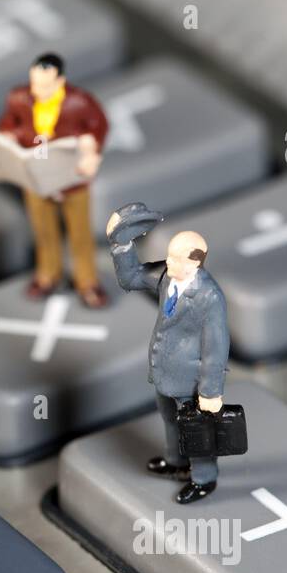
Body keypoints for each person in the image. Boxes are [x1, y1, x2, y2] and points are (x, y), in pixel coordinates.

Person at [106, 202, 230, 503]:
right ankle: (175, 461)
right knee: (170, 420)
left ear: (195, 263)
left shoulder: (209, 295)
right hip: (164, 371)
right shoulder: (166, 276)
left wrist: (211, 392)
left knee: (196, 428)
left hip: (191, 378)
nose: (168, 262)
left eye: (176, 259)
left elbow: (216, 345)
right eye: (170, 256)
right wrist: (122, 244)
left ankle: (203, 477)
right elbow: (131, 278)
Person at [0, 53, 110, 308]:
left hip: (72, 178)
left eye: (45, 85)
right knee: (43, 229)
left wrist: (91, 150)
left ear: (60, 81)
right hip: (35, 178)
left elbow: (98, 126)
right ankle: (48, 275)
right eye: (34, 83)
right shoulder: (19, 98)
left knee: (79, 233)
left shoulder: (79, 102)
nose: (37, 90)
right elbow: (7, 126)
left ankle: (87, 282)